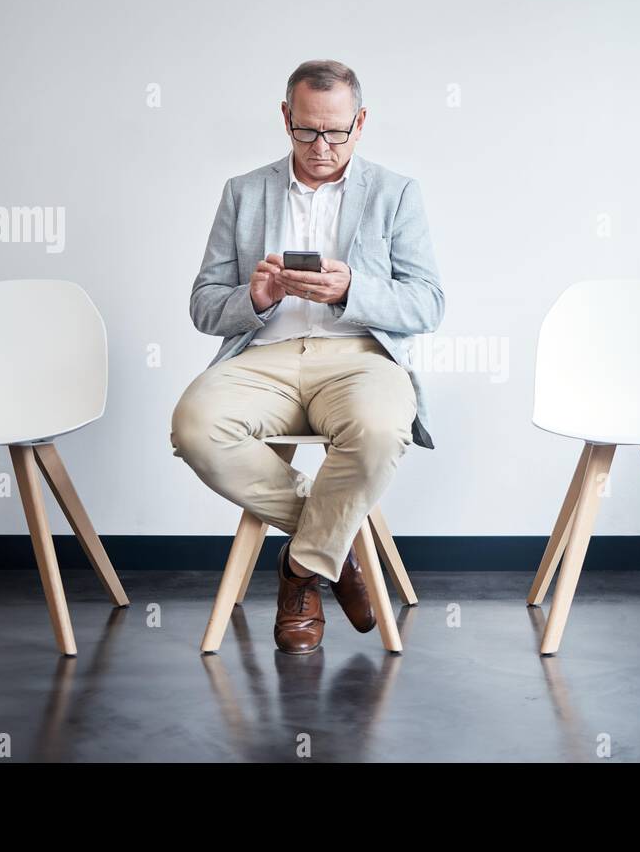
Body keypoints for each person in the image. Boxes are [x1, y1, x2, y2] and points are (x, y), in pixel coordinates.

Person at [171, 59, 444, 654]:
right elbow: (202, 305)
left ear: (360, 122)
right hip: (263, 357)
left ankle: (298, 573)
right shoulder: (243, 192)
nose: (321, 146)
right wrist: (256, 296)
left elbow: (427, 304)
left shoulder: (397, 194)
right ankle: (331, 546)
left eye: (337, 131)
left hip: (358, 357)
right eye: (306, 130)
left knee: (378, 431)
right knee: (195, 427)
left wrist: (352, 290)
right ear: (285, 117)